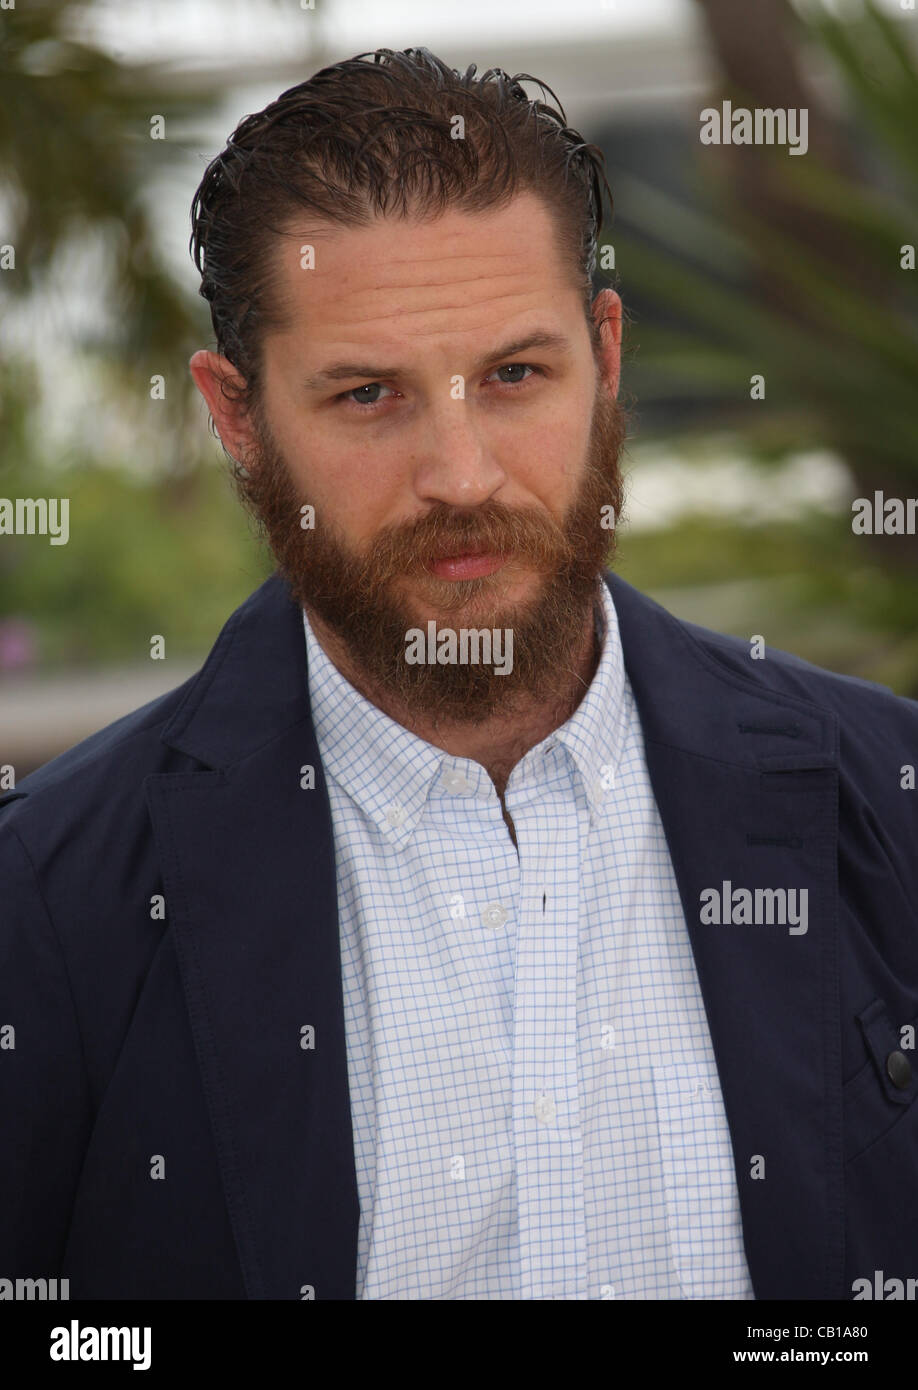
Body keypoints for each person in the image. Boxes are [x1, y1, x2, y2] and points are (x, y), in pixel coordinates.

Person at [2, 46, 916, 1302]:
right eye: (368, 393)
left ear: (605, 356)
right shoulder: (47, 907)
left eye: (514, 376)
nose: (463, 473)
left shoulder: (889, 804)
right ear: (238, 417)